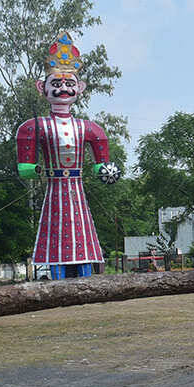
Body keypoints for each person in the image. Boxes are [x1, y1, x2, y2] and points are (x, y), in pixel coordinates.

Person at [16, 32, 120, 280]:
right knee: (55, 234)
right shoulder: (34, 126)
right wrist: (35, 170)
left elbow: (100, 164)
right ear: (42, 88)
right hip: (54, 191)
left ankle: (85, 278)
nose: (63, 88)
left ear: (80, 88)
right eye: (57, 84)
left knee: (81, 234)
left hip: (77, 190)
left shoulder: (90, 128)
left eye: (69, 84)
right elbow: (24, 166)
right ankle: (58, 278)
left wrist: (105, 172)